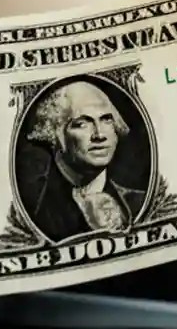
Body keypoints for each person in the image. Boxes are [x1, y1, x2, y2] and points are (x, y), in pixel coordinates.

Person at [19, 79, 146, 242]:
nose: (99, 135)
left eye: (106, 120)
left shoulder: (138, 203)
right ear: (53, 133)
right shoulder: (32, 211)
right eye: (82, 124)